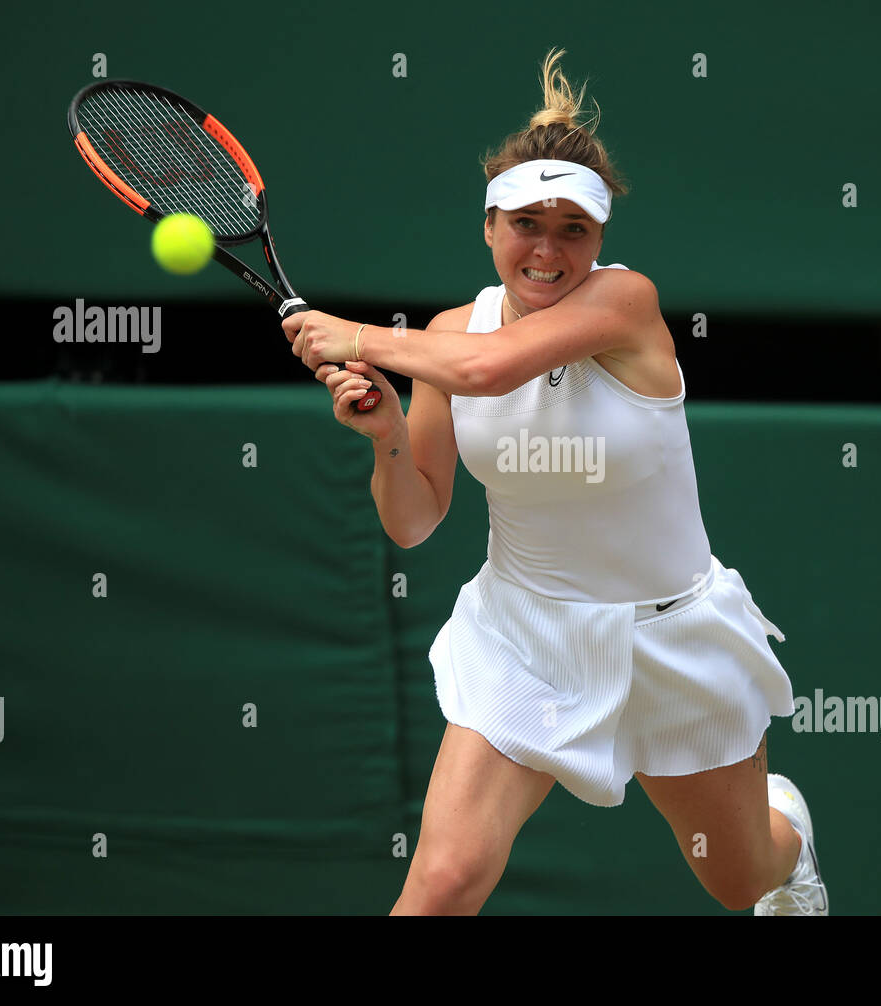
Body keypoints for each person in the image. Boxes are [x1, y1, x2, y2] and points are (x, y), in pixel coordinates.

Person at [281, 48, 828, 916]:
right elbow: (415, 520)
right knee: (443, 885)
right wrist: (387, 435)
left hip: (672, 639)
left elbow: (491, 371)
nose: (547, 248)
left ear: (600, 239)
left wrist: (355, 336)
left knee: (745, 881)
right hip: (522, 639)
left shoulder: (624, 304)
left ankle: (784, 826)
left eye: (572, 228)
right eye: (525, 223)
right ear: (488, 226)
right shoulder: (449, 336)